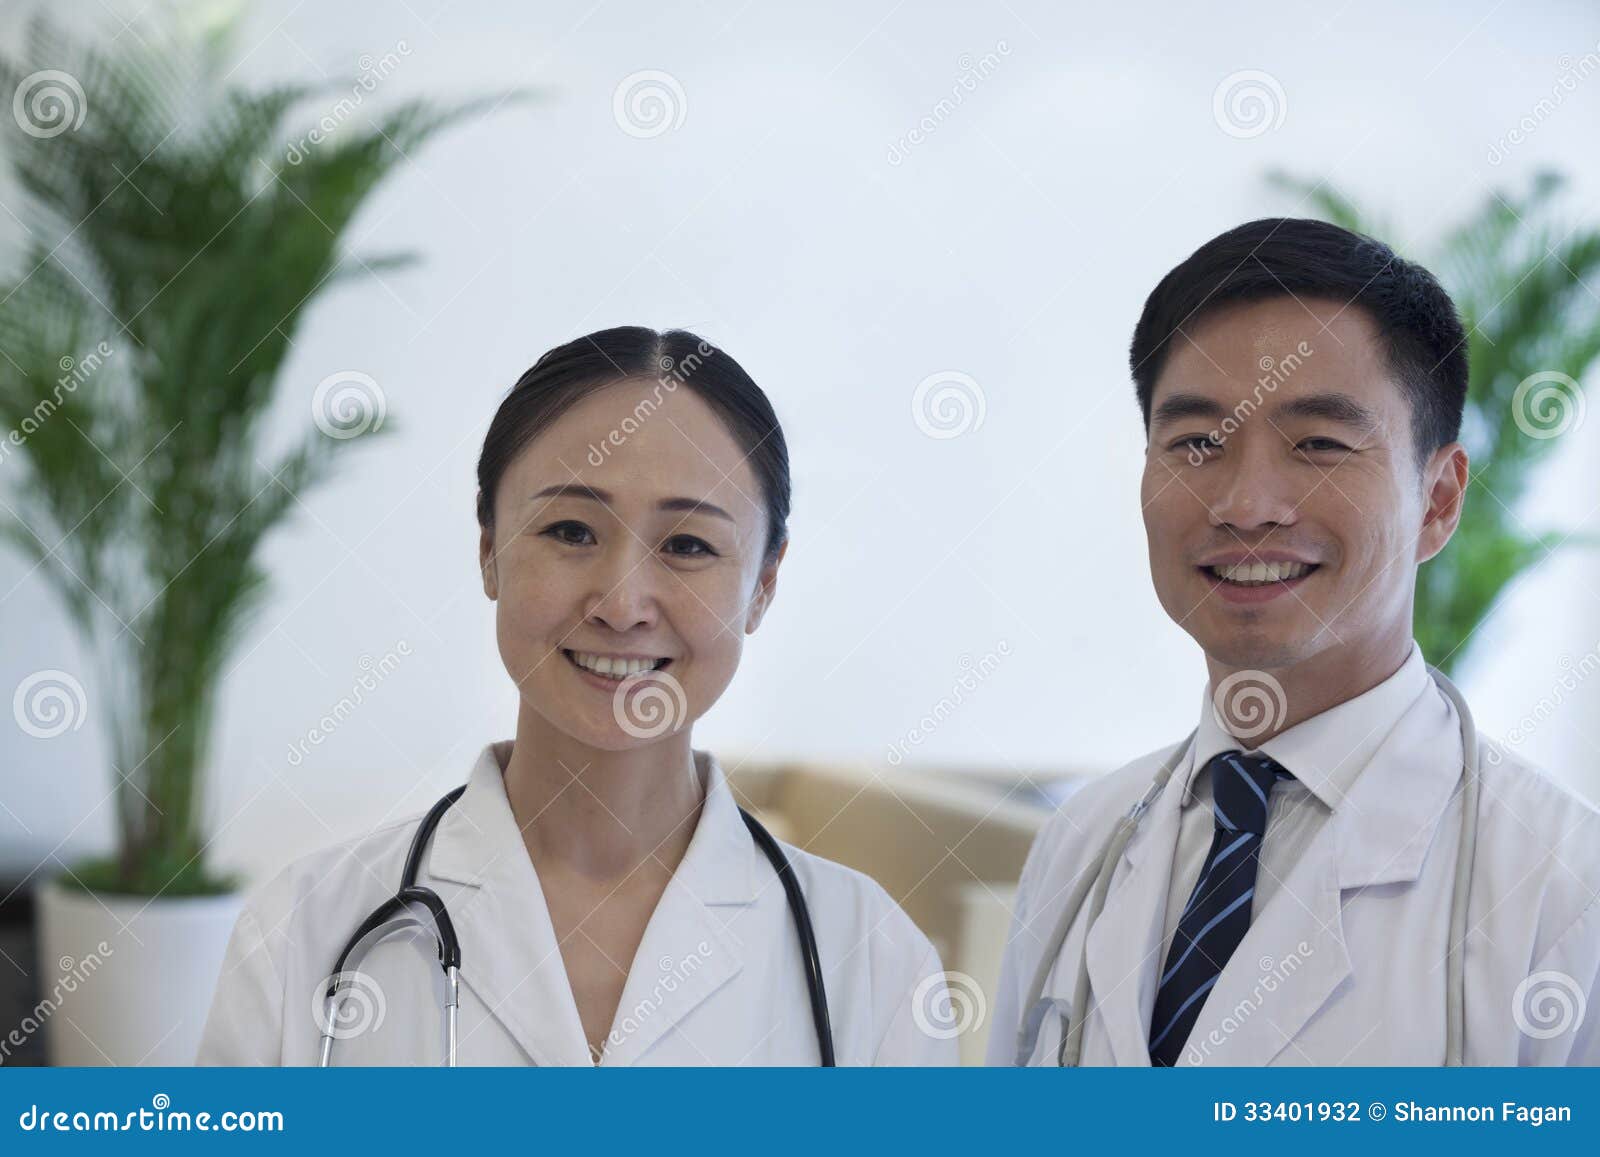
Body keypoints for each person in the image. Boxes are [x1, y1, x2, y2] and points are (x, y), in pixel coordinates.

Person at [197, 326, 956, 1066]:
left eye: (688, 545)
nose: (622, 603)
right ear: (489, 547)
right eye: (570, 529)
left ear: (763, 584)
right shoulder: (305, 933)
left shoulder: (872, 963)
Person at [989, 219, 1600, 1066]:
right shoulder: (1084, 841)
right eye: (1197, 443)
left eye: (1318, 443)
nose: (1247, 503)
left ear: (1438, 500)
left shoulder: (1564, 889)